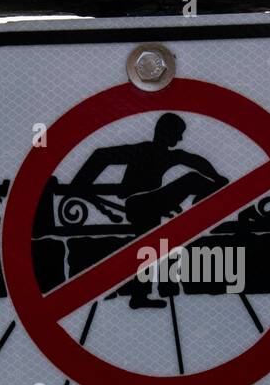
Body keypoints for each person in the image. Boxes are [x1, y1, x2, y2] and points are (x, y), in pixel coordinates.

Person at [68, 113, 226, 307]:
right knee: (193, 180)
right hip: (141, 205)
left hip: (146, 205)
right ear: (168, 132)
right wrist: (79, 184)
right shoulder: (144, 151)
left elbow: (194, 160)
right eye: (179, 133)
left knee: (149, 248)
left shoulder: (164, 155)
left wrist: (79, 184)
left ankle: (139, 296)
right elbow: (101, 155)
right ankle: (203, 209)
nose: (181, 138)